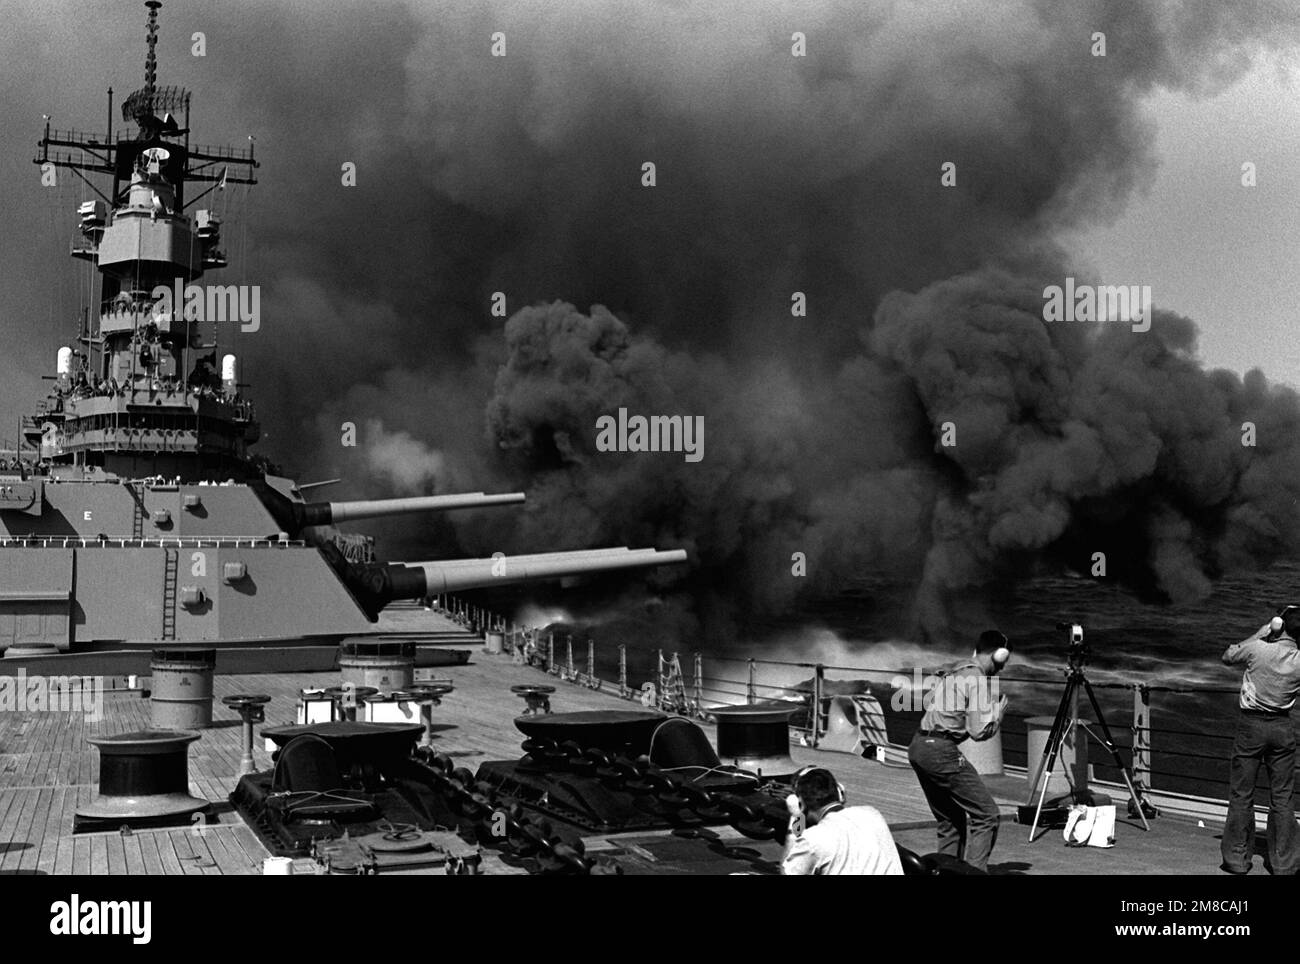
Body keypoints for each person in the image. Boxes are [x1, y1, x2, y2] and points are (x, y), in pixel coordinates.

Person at [907, 629, 1010, 872]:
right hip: (940, 751)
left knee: (950, 819)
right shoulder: (977, 678)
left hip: (919, 745)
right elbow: (978, 732)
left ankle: (944, 870)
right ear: (999, 655)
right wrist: (997, 715)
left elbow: (952, 718)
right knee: (987, 815)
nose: (1002, 669)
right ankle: (972, 873)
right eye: (1004, 662)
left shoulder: (957, 670)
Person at [1219, 609, 1300, 875]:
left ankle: (1237, 860)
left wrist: (1261, 633)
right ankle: (1284, 863)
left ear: (1278, 627)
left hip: (1251, 726)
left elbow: (1229, 656)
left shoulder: (1258, 649)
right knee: (1283, 797)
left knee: (1242, 794)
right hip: (1283, 726)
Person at [781, 766, 903, 875]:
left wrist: (796, 819)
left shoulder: (812, 839)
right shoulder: (873, 814)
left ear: (800, 804)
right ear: (840, 793)